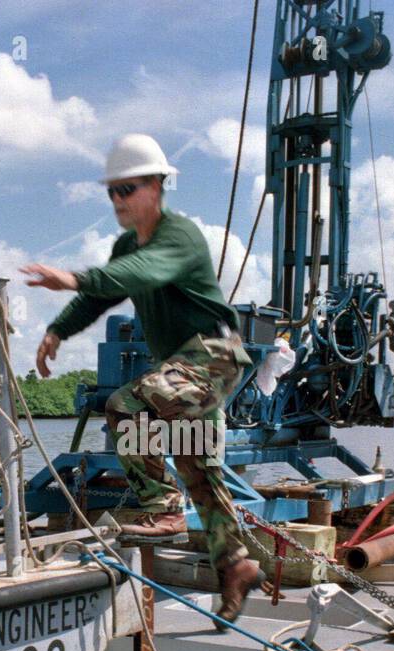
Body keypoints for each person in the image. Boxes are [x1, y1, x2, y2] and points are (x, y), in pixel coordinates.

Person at [21, 134, 263, 624]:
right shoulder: (126, 245)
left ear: (157, 185)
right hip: (182, 368)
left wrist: (74, 276)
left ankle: (162, 506)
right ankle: (235, 567)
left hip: (215, 356)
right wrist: (57, 329)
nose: (117, 201)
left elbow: (139, 273)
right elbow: (104, 293)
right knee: (200, 470)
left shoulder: (181, 236)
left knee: (128, 405)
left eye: (127, 190)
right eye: (111, 192)